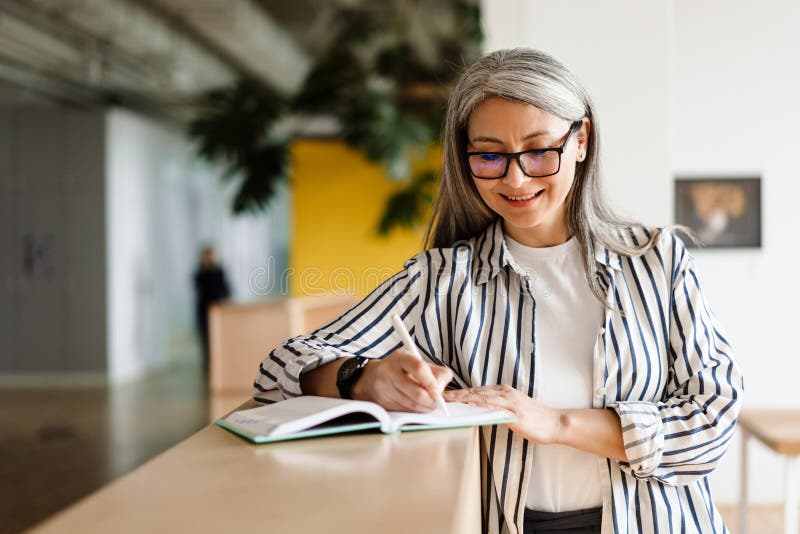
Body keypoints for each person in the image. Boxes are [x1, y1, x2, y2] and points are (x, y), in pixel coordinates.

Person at [253, 48, 743, 534]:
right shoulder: (442, 279)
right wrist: (363, 379)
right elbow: (279, 370)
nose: (515, 177)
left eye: (538, 151)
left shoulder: (657, 262)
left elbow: (713, 420)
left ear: (581, 140)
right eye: (489, 155)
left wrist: (557, 424)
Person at [194, 245, 230, 373]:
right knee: (205, 339)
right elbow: (199, 287)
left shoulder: (219, 271)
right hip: (203, 310)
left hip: (217, 310)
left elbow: (226, 290)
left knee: (217, 339)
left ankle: (218, 365)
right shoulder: (199, 272)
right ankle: (208, 367)